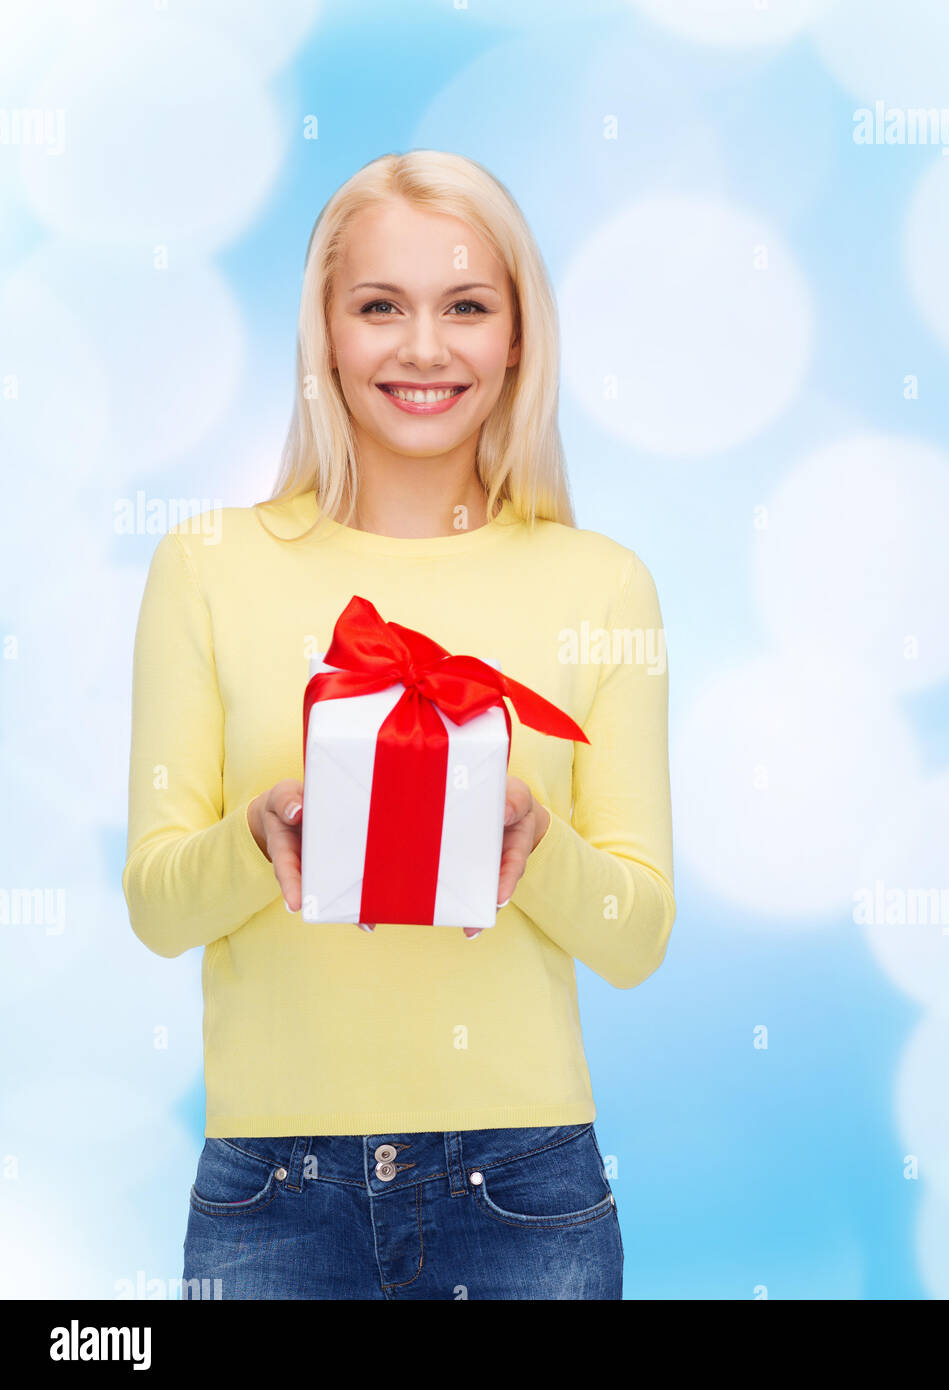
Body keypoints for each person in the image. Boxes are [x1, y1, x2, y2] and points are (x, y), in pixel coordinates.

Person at [122, 150, 675, 1300]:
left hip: (524, 1194)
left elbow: (636, 935)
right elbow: (155, 904)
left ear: (517, 337)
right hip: (273, 1195)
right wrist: (255, 838)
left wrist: (534, 848)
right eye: (381, 306)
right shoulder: (209, 567)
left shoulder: (602, 584)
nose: (424, 348)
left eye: (466, 306)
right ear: (324, 331)